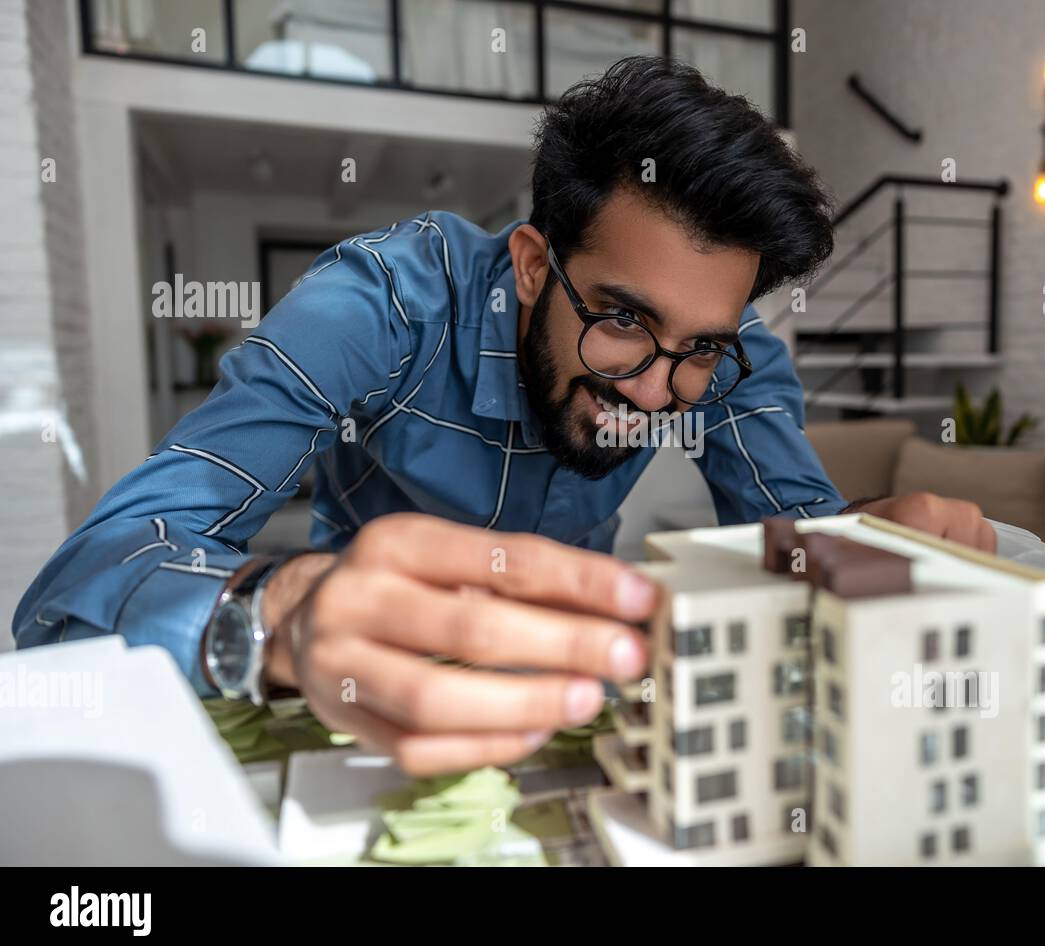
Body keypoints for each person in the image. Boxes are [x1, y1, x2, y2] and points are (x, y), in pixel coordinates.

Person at [14, 56, 992, 776]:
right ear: (532, 264)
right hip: (355, 701)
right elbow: (69, 592)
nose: (656, 390)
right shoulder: (381, 304)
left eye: (698, 347)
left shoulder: (717, 350)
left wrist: (860, 535)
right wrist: (274, 615)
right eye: (620, 320)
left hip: (577, 706)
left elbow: (794, 538)